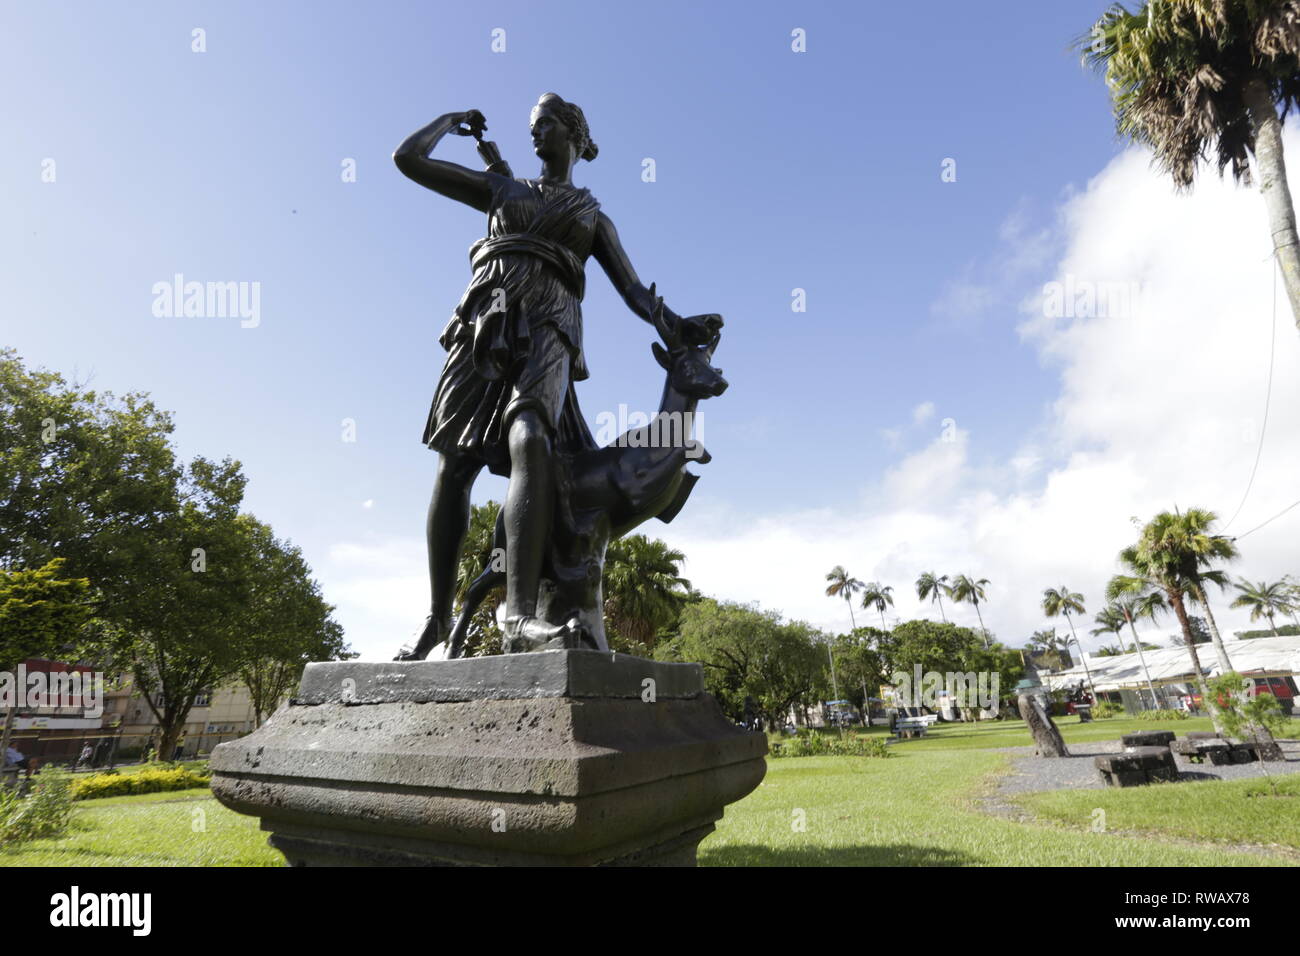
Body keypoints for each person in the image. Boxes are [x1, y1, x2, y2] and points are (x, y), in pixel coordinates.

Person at [392, 94, 721, 658]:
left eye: (545, 124)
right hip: (486, 319)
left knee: (532, 438)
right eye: (530, 127)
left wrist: (678, 324)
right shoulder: (503, 189)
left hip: (551, 323)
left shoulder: (593, 218)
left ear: (574, 134)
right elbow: (409, 159)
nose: (535, 134)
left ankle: (517, 617)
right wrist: (450, 120)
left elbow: (636, 293)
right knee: (455, 463)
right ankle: (436, 619)